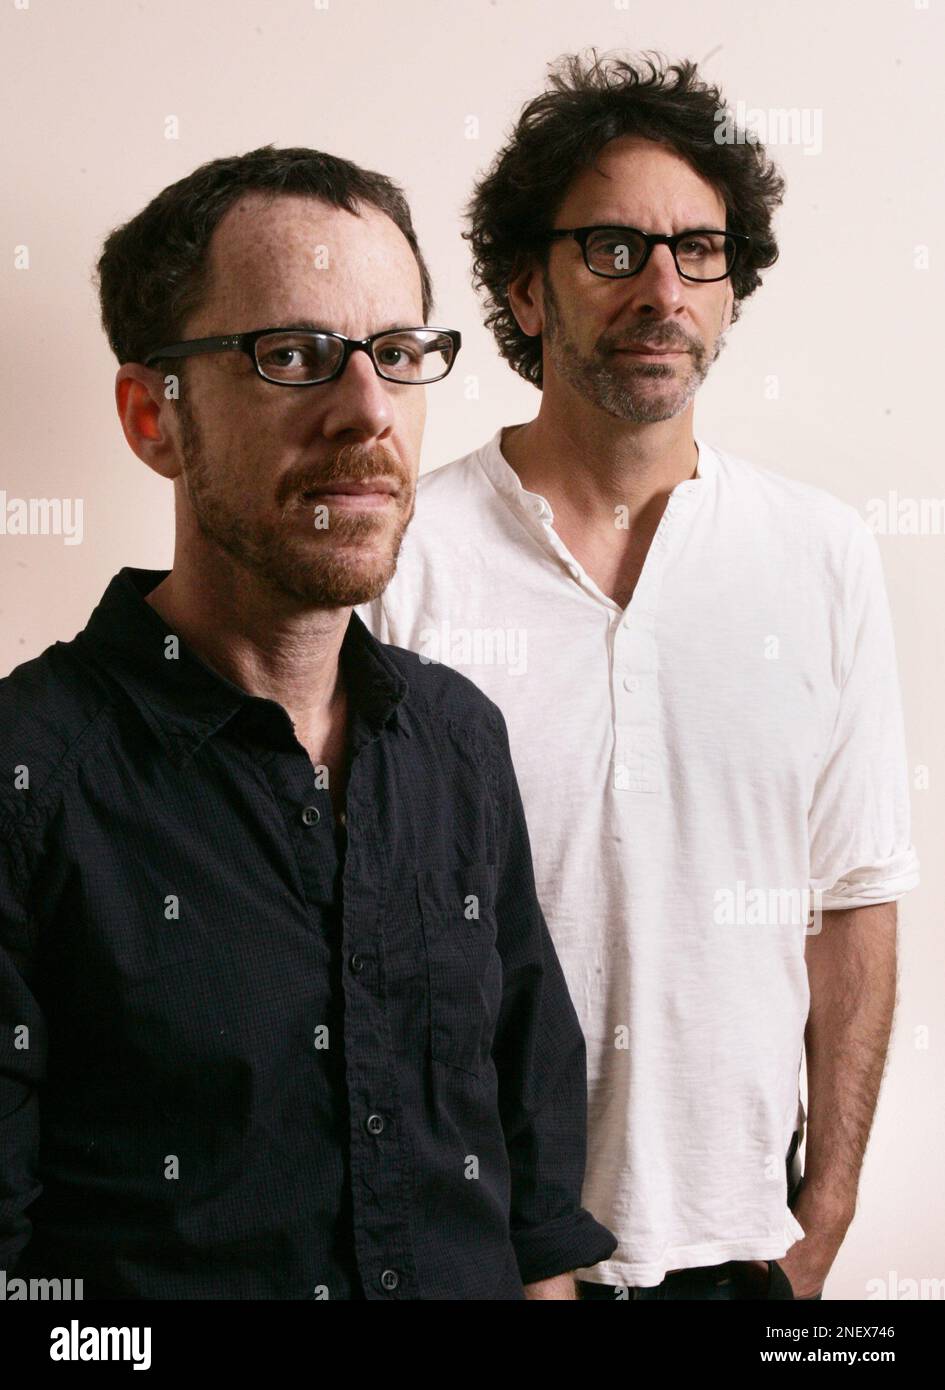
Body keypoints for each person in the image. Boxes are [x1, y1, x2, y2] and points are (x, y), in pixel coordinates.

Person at [0, 146, 617, 1300]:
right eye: (291, 356)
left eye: (397, 354)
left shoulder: (458, 741)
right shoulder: (30, 774)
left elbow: (534, 1213)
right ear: (153, 416)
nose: (369, 413)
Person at [357, 52, 920, 1300]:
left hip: (740, 1249)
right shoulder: (407, 556)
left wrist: (818, 1224)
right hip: (477, 1242)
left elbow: (854, 904)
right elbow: (367, 940)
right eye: (613, 248)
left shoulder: (820, 554)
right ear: (526, 286)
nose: (662, 288)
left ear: (731, 290)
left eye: (700, 252)